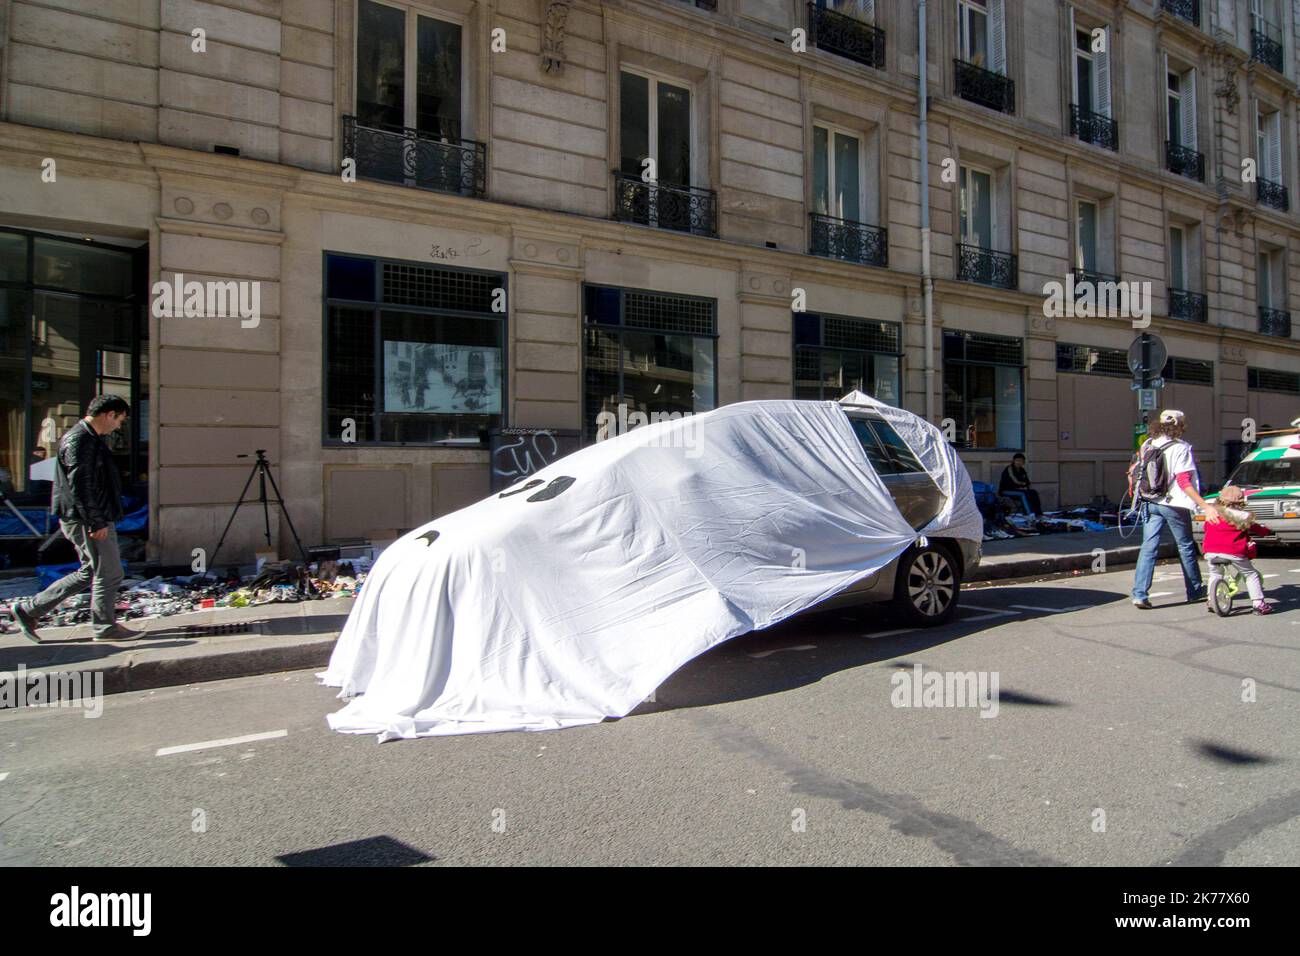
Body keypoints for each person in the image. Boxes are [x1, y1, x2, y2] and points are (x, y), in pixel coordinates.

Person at [8, 395, 137, 643]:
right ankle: (105, 628)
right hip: (86, 518)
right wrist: (95, 521)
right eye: (120, 419)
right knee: (109, 572)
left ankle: (29, 610)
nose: (119, 426)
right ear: (109, 414)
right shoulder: (81, 440)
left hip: (87, 516)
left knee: (91, 571)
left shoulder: (87, 438)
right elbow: (80, 485)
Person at [1130, 409, 1220, 609]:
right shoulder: (1182, 448)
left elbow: (1134, 471)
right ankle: (1195, 590)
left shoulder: (1148, 444)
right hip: (1174, 504)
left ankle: (1139, 594)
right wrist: (1205, 506)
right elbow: (1183, 481)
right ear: (1179, 426)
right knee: (1186, 546)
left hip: (1150, 502)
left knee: (1148, 548)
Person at [1201, 485, 1273, 616]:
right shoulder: (1243, 516)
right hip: (1234, 552)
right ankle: (1258, 604)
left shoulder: (1213, 514)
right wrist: (1267, 531)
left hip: (1211, 551)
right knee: (1250, 574)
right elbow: (1259, 530)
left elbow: (1206, 529)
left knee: (1215, 574)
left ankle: (1212, 600)